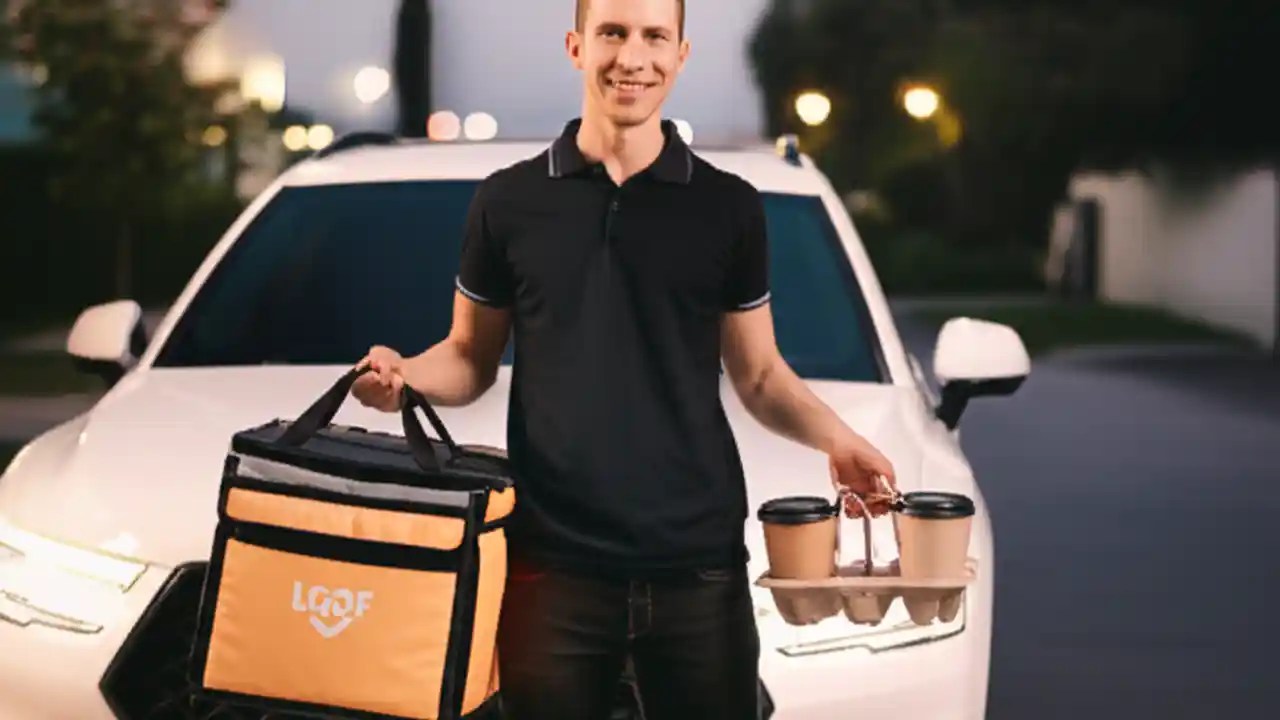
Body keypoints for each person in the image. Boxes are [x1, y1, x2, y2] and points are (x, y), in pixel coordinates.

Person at [352, 0, 897, 717]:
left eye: (654, 37)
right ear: (576, 46)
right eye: (612, 33)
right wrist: (405, 378)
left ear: (680, 54)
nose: (632, 58)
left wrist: (839, 439)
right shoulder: (508, 201)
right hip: (551, 571)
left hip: (698, 568)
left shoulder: (729, 207)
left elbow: (760, 375)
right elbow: (467, 356)